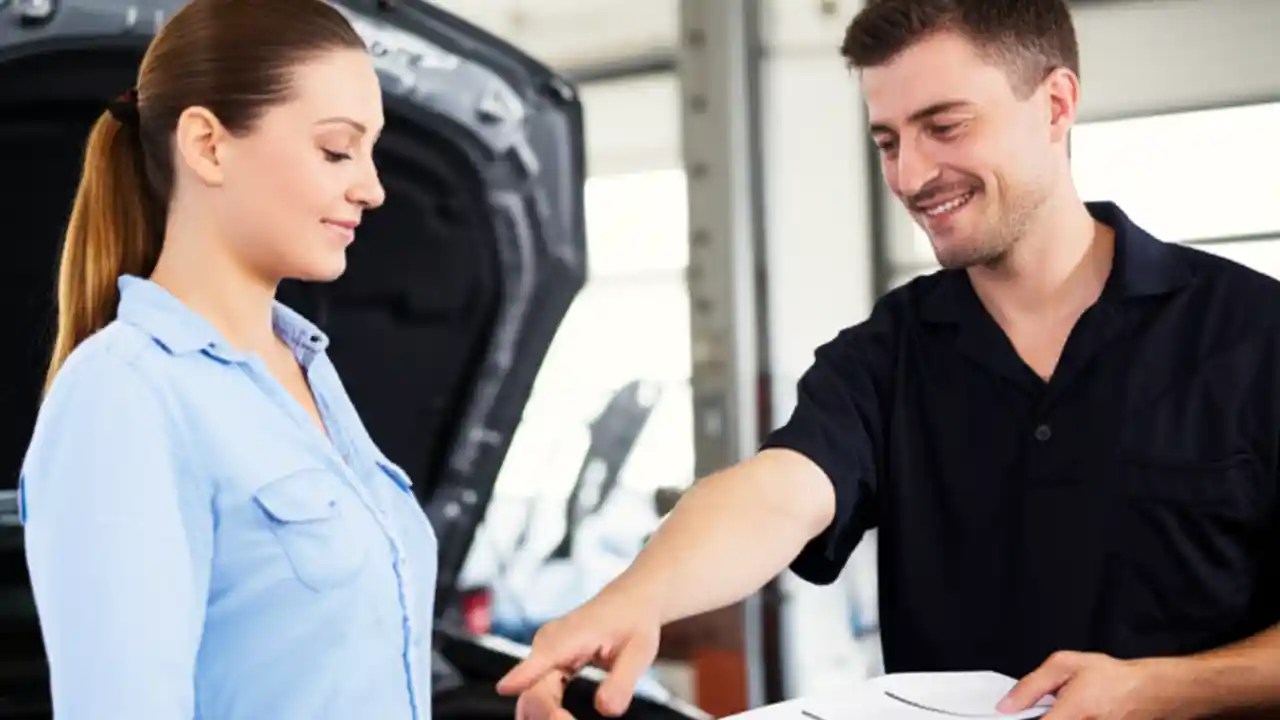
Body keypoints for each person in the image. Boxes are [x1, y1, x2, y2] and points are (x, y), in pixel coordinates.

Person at [495, 0, 1280, 718]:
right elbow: (775, 493)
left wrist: (1163, 688)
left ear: (1056, 105)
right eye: (888, 140)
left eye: (945, 126)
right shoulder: (888, 354)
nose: (910, 174)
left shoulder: (1252, 334)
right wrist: (636, 596)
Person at [17, 0, 439, 718]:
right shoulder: (124, 394)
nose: (371, 188)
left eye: (371, 152)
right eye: (338, 149)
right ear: (208, 144)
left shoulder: (308, 370)